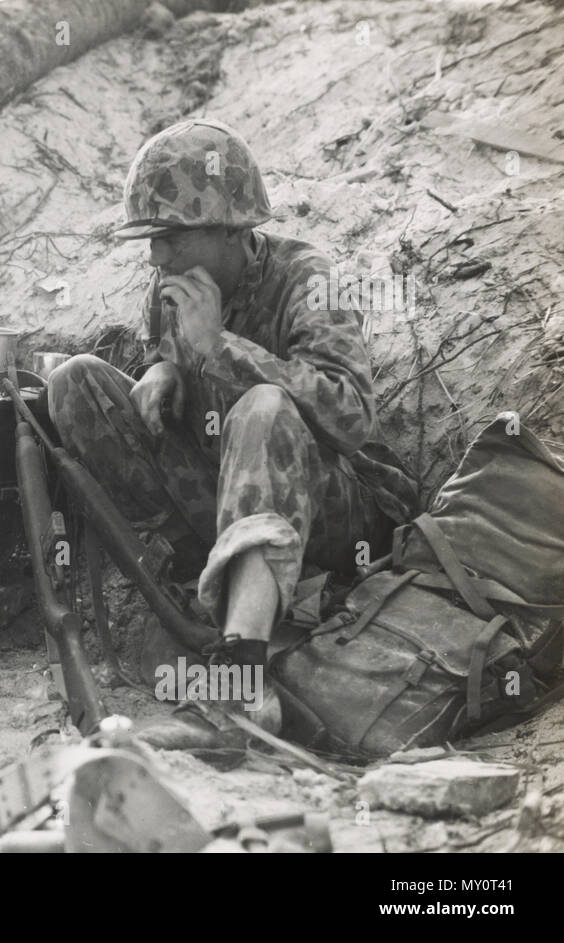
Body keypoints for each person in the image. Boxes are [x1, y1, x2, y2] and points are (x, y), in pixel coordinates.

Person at [46, 119, 418, 747]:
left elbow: (351, 415)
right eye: (151, 238)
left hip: (329, 510)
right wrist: (163, 368)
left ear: (230, 230)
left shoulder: (307, 279)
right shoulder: (176, 285)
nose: (156, 255)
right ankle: (196, 578)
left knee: (263, 406)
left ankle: (242, 681)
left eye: (171, 237)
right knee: (74, 381)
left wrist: (222, 346)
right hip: (225, 496)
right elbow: (165, 356)